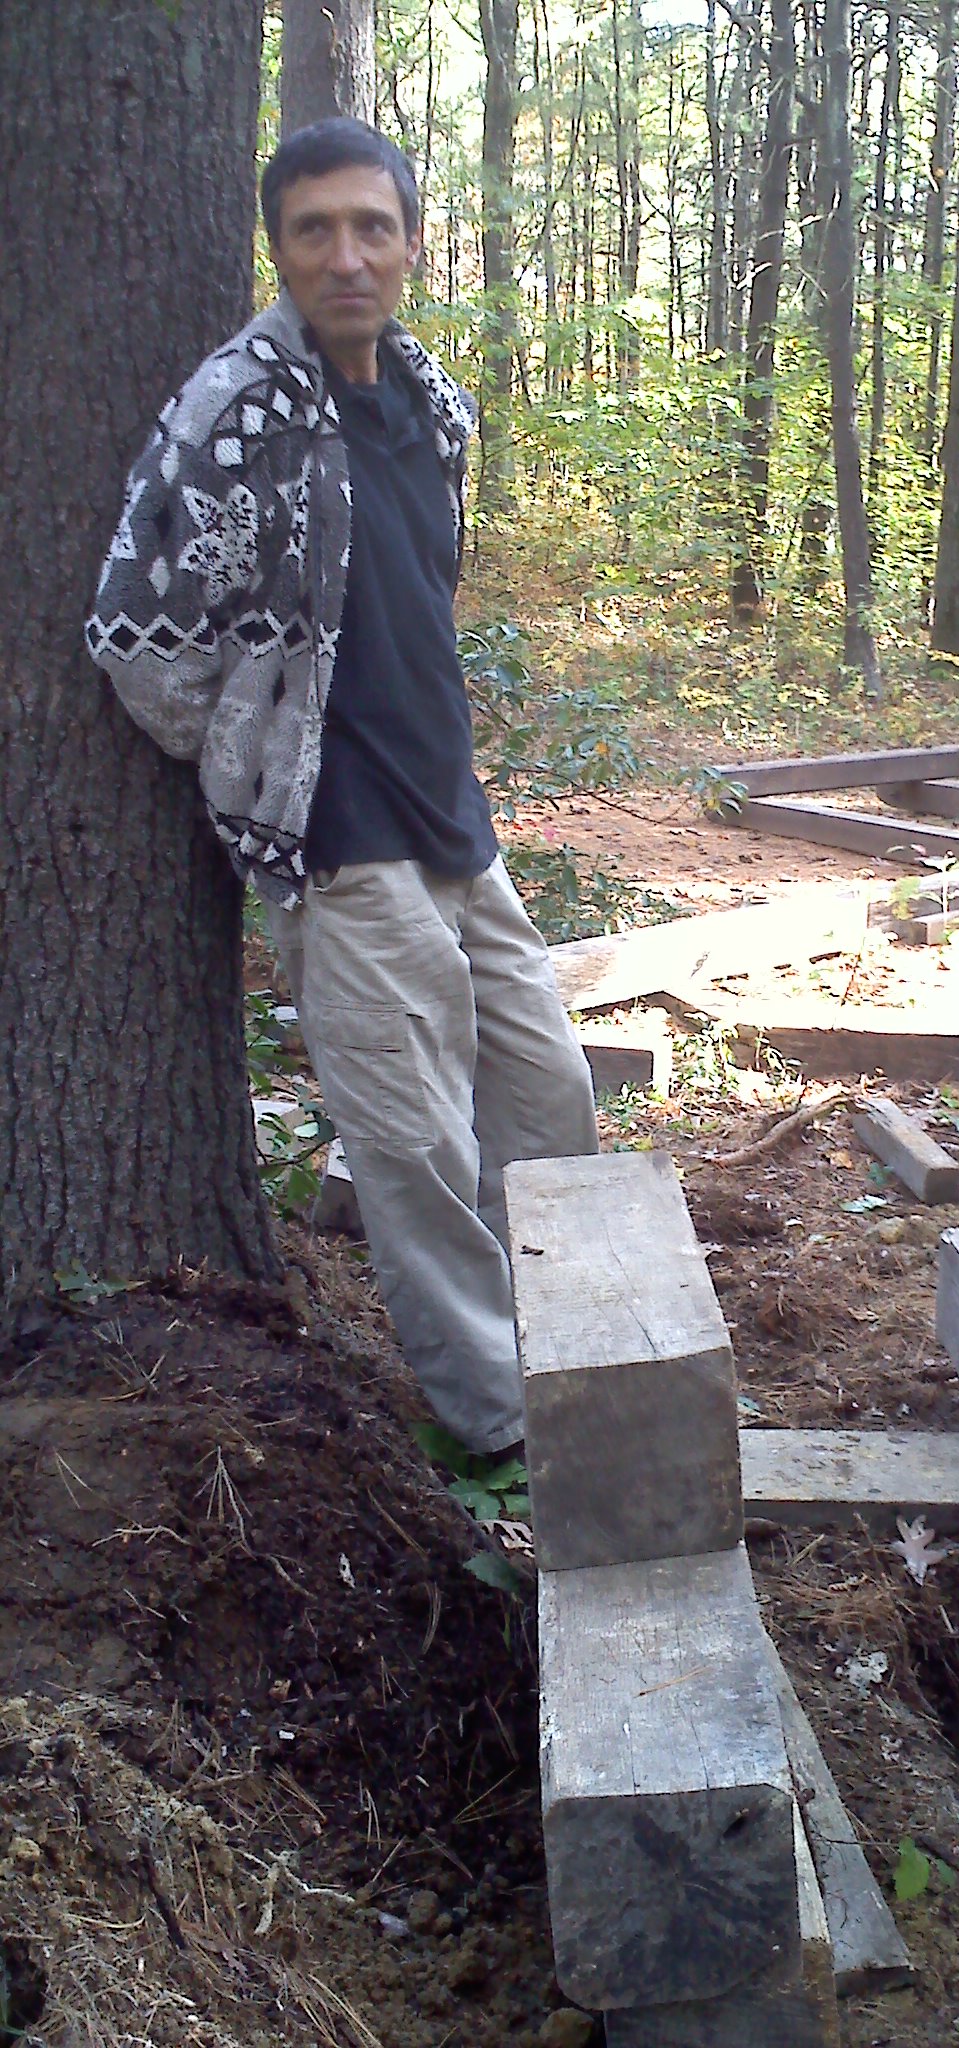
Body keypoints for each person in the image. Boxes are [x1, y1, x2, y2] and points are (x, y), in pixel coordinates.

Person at [86, 118, 598, 1457]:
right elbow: (136, 634)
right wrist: (261, 756)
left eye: (373, 226)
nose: (348, 255)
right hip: (338, 838)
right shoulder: (236, 406)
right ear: (281, 249)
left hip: (453, 826)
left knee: (548, 1102)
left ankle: (584, 1353)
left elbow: (424, 596)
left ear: (414, 244)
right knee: (420, 1154)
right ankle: (500, 1431)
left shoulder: (431, 404)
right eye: (314, 229)